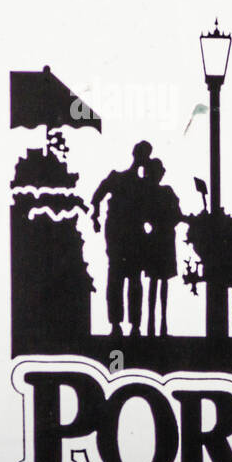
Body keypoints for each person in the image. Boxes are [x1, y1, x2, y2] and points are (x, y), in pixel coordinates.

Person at [91, 141, 153, 337]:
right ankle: (118, 324)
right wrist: (96, 216)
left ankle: (132, 325)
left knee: (131, 279)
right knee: (119, 278)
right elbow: (97, 196)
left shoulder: (142, 184)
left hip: (132, 236)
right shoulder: (119, 178)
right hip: (119, 235)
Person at [137, 158, 182, 337]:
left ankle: (154, 324)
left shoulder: (152, 192)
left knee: (156, 282)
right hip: (163, 238)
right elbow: (177, 215)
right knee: (160, 281)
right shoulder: (164, 192)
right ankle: (159, 324)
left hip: (158, 237)